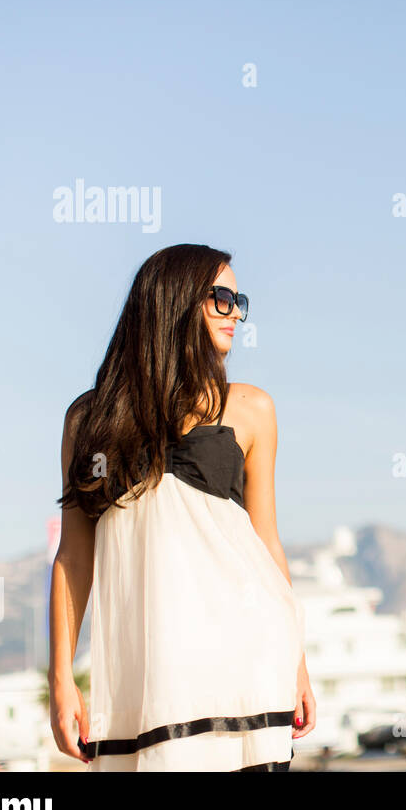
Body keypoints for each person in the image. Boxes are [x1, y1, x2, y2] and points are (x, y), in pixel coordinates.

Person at [47, 243, 315, 770]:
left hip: (249, 664)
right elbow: (74, 557)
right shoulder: (89, 421)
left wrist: (297, 664)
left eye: (239, 301)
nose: (234, 312)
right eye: (220, 298)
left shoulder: (252, 408)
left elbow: (266, 542)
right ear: (173, 300)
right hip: (147, 679)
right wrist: (60, 679)